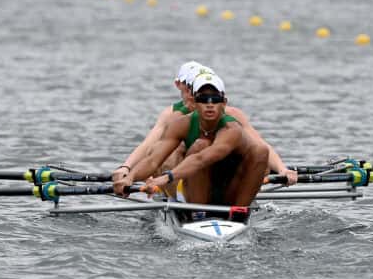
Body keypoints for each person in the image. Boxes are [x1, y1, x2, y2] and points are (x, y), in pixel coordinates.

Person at [110, 63, 297, 189]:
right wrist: (126, 170)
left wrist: (282, 170)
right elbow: (148, 148)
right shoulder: (173, 116)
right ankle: (180, 194)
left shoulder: (232, 115)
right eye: (192, 90)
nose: (192, 96)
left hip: (215, 175)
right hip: (180, 178)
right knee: (177, 150)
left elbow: (261, 145)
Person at [113, 74, 268, 212]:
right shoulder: (181, 124)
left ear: (224, 103)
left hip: (229, 190)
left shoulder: (231, 128)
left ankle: (239, 213)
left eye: (215, 99)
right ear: (193, 102)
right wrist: (130, 178)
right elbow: (153, 160)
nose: (210, 104)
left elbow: (203, 158)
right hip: (196, 191)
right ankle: (198, 212)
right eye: (203, 99)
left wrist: (167, 178)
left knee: (261, 151)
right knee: (201, 144)